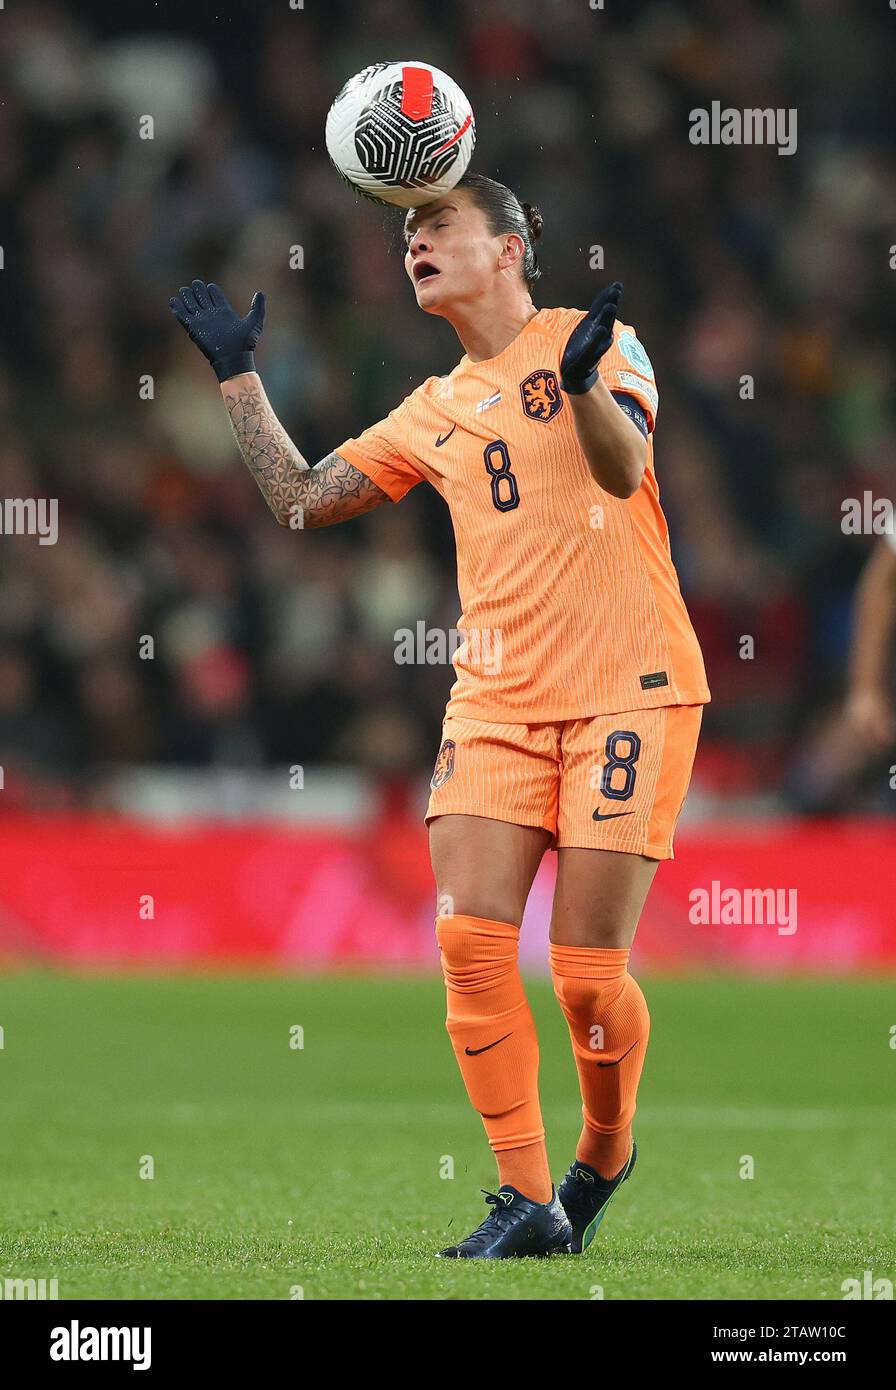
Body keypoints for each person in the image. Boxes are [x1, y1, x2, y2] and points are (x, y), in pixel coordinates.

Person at [170, 172, 710, 1259]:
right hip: (496, 699)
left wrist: (584, 385)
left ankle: (603, 1148)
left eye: (436, 223)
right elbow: (300, 499)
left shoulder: (595, 339)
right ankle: (527, 1201)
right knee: (467, 944)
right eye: (405, 229)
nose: (412, 241)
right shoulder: (431, 407)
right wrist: (238, 377)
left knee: (585, 976)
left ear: (508, 247)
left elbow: (624, 472)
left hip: (627, 682)